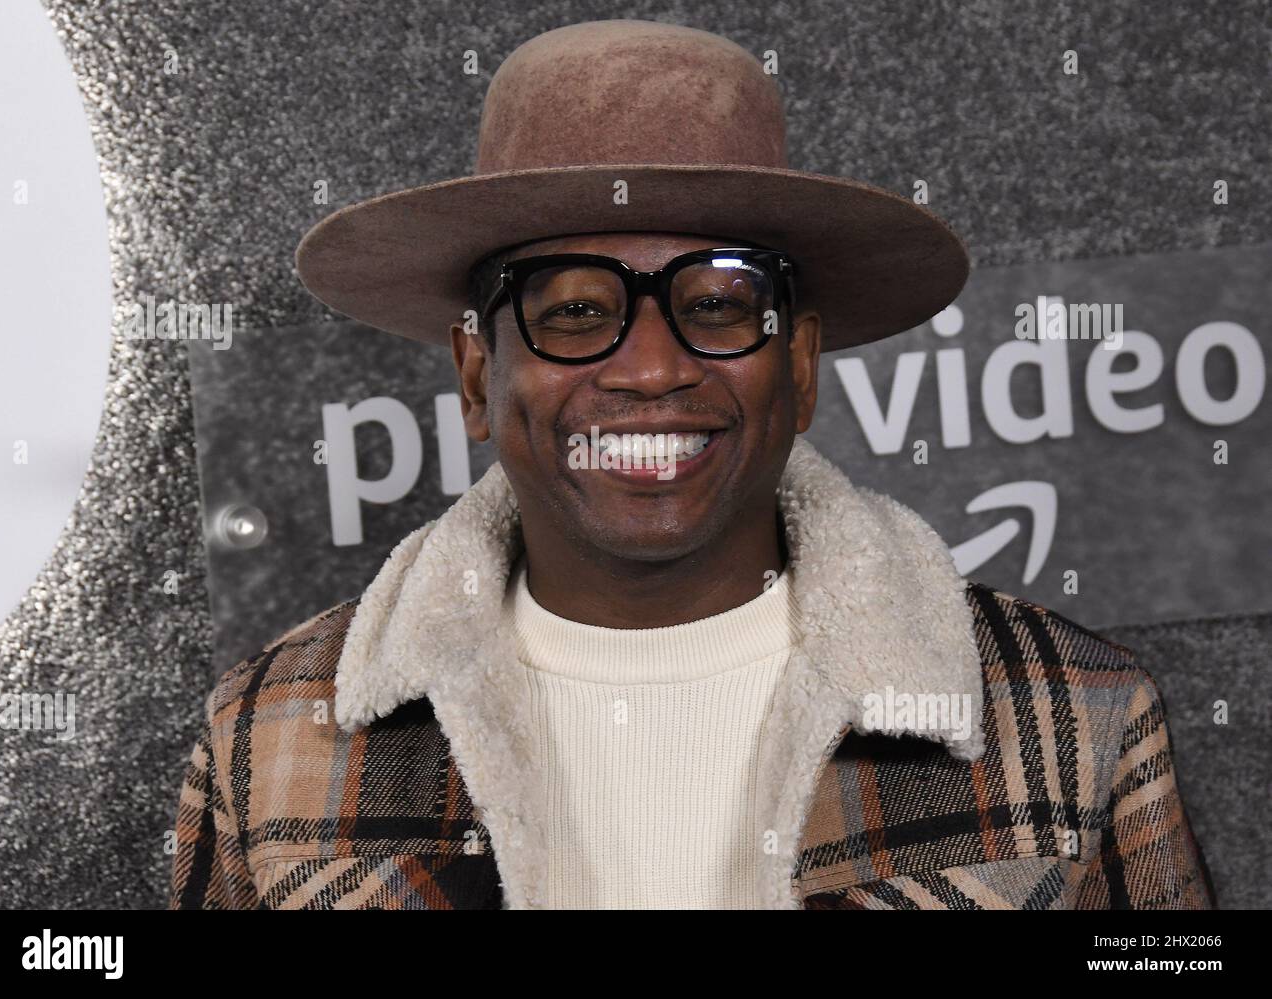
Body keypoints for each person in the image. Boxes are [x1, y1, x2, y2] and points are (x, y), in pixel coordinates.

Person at [169, 19, 1215, 909]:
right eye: (576, 310)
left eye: (716, 304)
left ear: (798, 366)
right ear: (479, 374)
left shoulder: (1074, 716)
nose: (653, 367)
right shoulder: (271, 739)